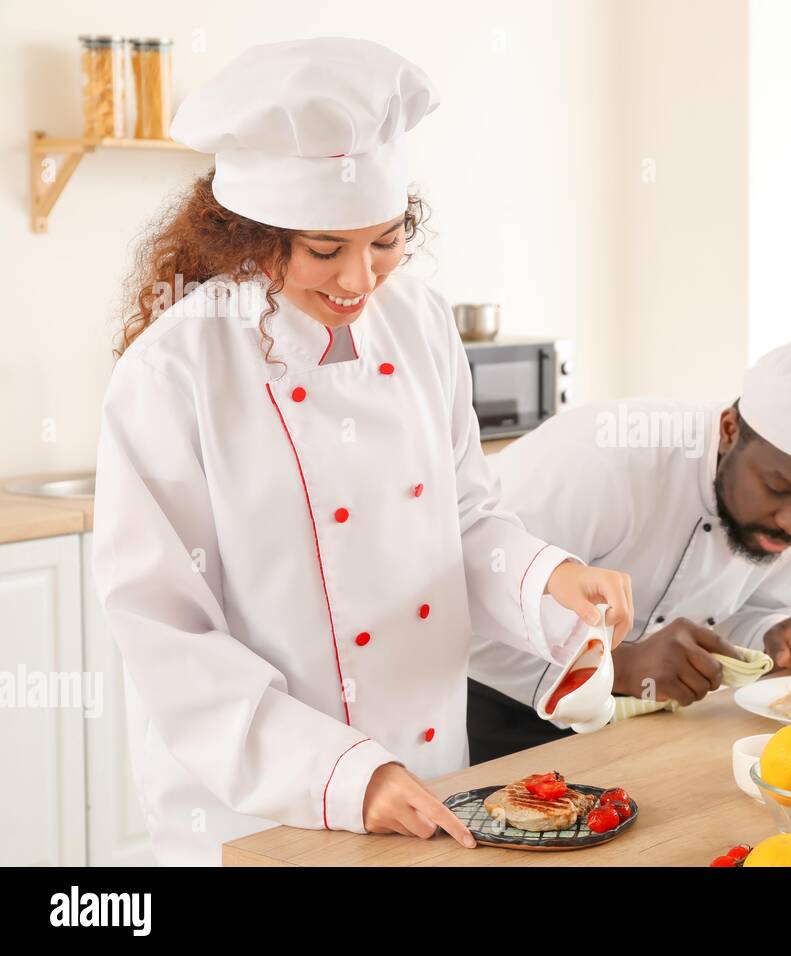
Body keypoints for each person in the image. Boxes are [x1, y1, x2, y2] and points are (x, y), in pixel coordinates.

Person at [92, 37, 633, 866]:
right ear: (251, 235)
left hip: (430, 786)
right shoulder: (172, 373)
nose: (359, 280)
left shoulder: (417, 323)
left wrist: (548, 581)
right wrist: (348, 778)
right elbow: (170, 637)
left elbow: (462, 518)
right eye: (323, 251)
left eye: (384, 241)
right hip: (258, 811)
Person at [467, 336, 791, 762]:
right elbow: (466, 597)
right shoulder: (605, 460)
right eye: (776, 488)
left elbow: (750, 612)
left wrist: (775, 637)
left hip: (630, 731)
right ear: (729, 430)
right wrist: (620, 666)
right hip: (488, 709)